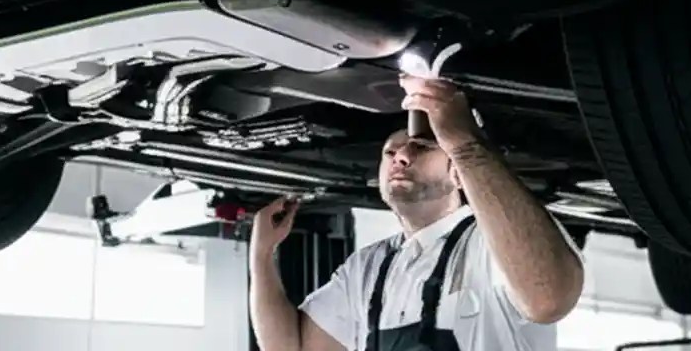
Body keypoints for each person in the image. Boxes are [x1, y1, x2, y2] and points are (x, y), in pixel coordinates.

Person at [249, 74, 585, 351]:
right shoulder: (368, 268)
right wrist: (261, 257)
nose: (400, 157)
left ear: (457, 171)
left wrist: (467, 145)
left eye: (421, 147)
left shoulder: (491, 240)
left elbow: (548, 299)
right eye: (390, 152)